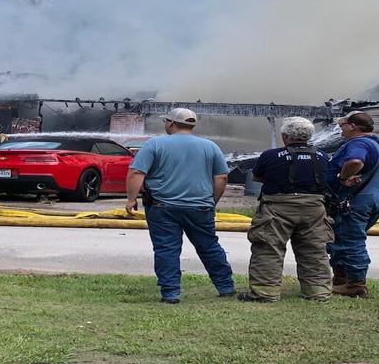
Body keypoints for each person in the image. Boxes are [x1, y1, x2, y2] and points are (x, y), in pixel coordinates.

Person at [124, 108, 237, 303]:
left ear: (171, 123)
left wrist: (131, 199)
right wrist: (212, 201)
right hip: (200, 207)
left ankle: (170, 293)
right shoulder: (210, 146)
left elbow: (136, 173)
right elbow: (222, 177)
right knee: (209, 246)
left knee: (166, 248)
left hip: (161, 207)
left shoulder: (154, 144)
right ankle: (225, 286)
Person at [238, 117, 335, 303]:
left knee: (268, 248)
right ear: (309, 136)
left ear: (284, 136)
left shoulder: (271, 155)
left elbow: (258, 177)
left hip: (277, 208)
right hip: (314, 208)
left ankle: (265, 293)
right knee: (314, 251)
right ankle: (318, 292)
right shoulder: (323, 156)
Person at [326, 110, 379, 298]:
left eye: (342, 125)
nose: (340, 129)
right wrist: (377, 172)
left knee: (351, 240)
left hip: (355, 200)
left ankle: (355, 284)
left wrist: (343, 178)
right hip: (374, 197)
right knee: (342, 238)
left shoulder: (358, 143)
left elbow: (354, 161)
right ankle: (341, 279)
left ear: (353, 126)